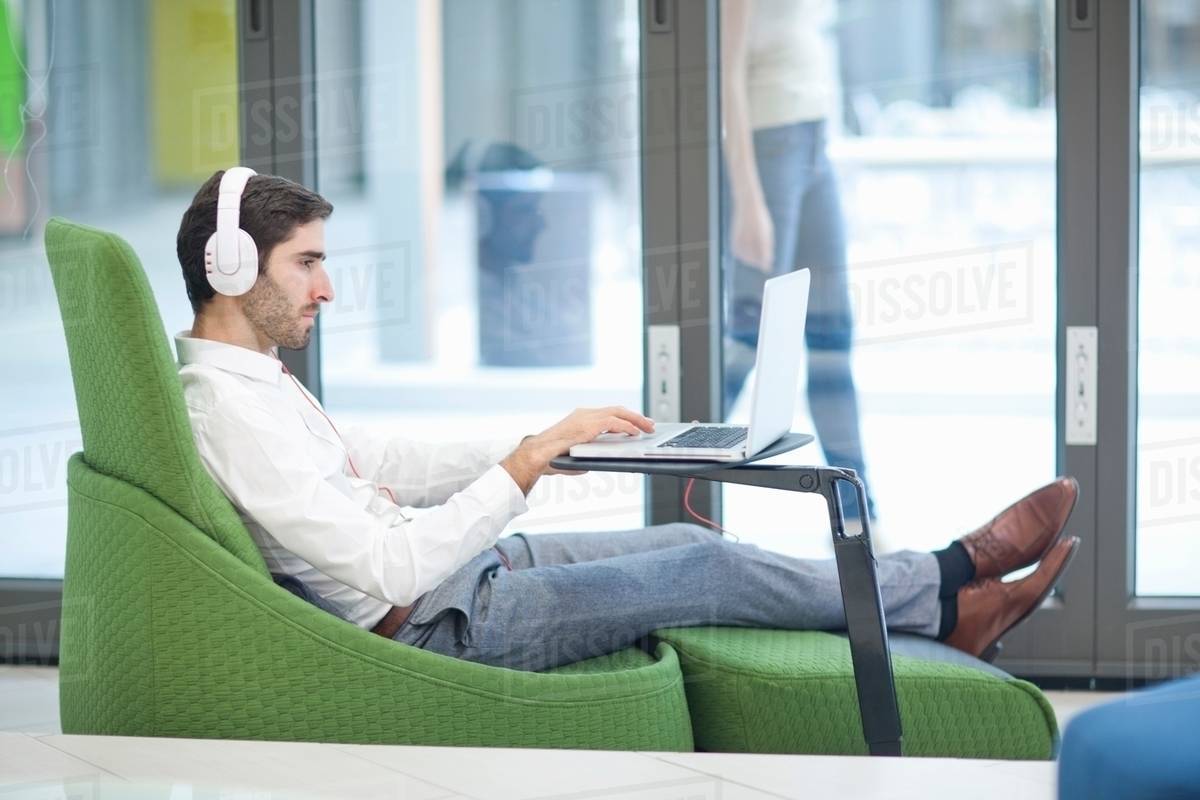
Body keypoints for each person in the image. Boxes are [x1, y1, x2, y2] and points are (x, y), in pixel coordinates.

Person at [173, 169, 1080, 673]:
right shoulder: (227, 412)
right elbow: (388, 567)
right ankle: (951, 582)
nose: (328, 287)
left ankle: (944, 601)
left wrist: (543, 443)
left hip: (463, 578)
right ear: (230, 267)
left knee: (695, 547)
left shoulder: (258, 382)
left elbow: (379, 458)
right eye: (306, 264)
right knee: (710, 567)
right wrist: (521, 470)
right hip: (441, 622)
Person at [720, 0, 877, 523]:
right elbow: (726, 73)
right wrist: (747, 200)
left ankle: (859, 518)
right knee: (746, 336)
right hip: (769, 146)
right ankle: (671, 484)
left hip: (813, 141)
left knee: (832, 336)